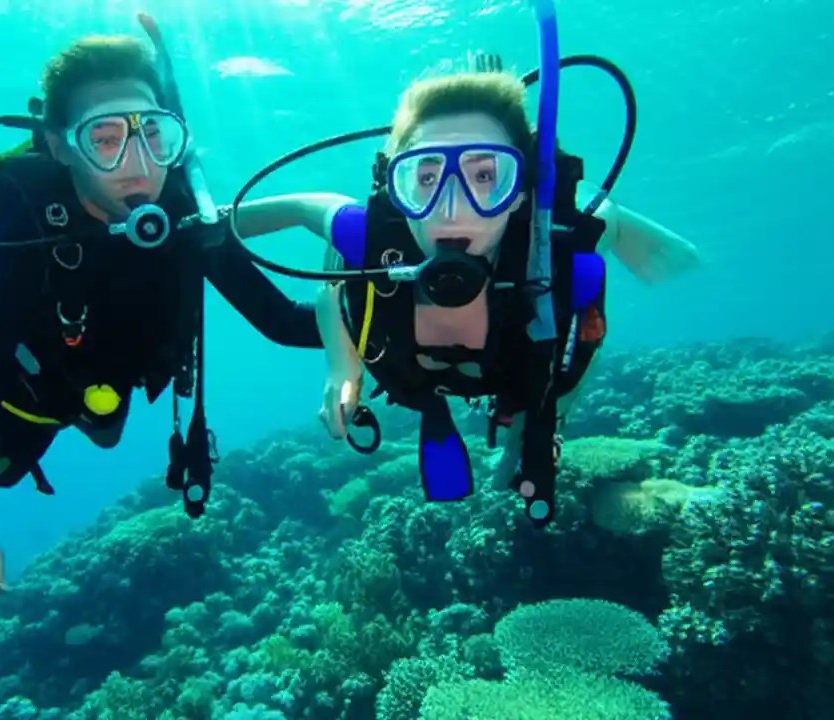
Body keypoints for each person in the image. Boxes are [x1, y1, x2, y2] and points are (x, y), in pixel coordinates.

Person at [0, 27, 335, 634]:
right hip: (36, 393)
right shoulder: (21, 221)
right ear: (59, 146)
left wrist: (393, 314)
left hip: (117, 377)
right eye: (106, 138)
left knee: (107, 424)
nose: (137, 165)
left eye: (151, 134)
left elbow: (282, 322)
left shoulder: (183, 207)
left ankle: (98, 411)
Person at [226, 54, 701, 527]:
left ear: (520, 191)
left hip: (516, 364)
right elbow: (309, 214)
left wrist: (548, 420)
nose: (451, 209)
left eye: (485, 176)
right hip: (406, 348)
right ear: (396, 191)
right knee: (282, 322)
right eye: (426, 178)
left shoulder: (556, 259)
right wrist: (341, 361)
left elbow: (582, 342)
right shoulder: (375, 237)